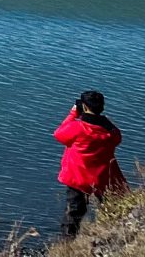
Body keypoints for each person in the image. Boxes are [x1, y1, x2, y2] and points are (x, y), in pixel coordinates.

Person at [55, 91, 125, 240]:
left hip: (77, 177)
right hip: (102, 177)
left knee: (73, 213)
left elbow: (59, 134)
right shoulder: (110, 132)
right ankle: (112, 236)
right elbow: (117, 138)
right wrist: (105, 121)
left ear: (85, 107)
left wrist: (73, 113)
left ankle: (66, 245)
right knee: (110, 207)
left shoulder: (77, 127)